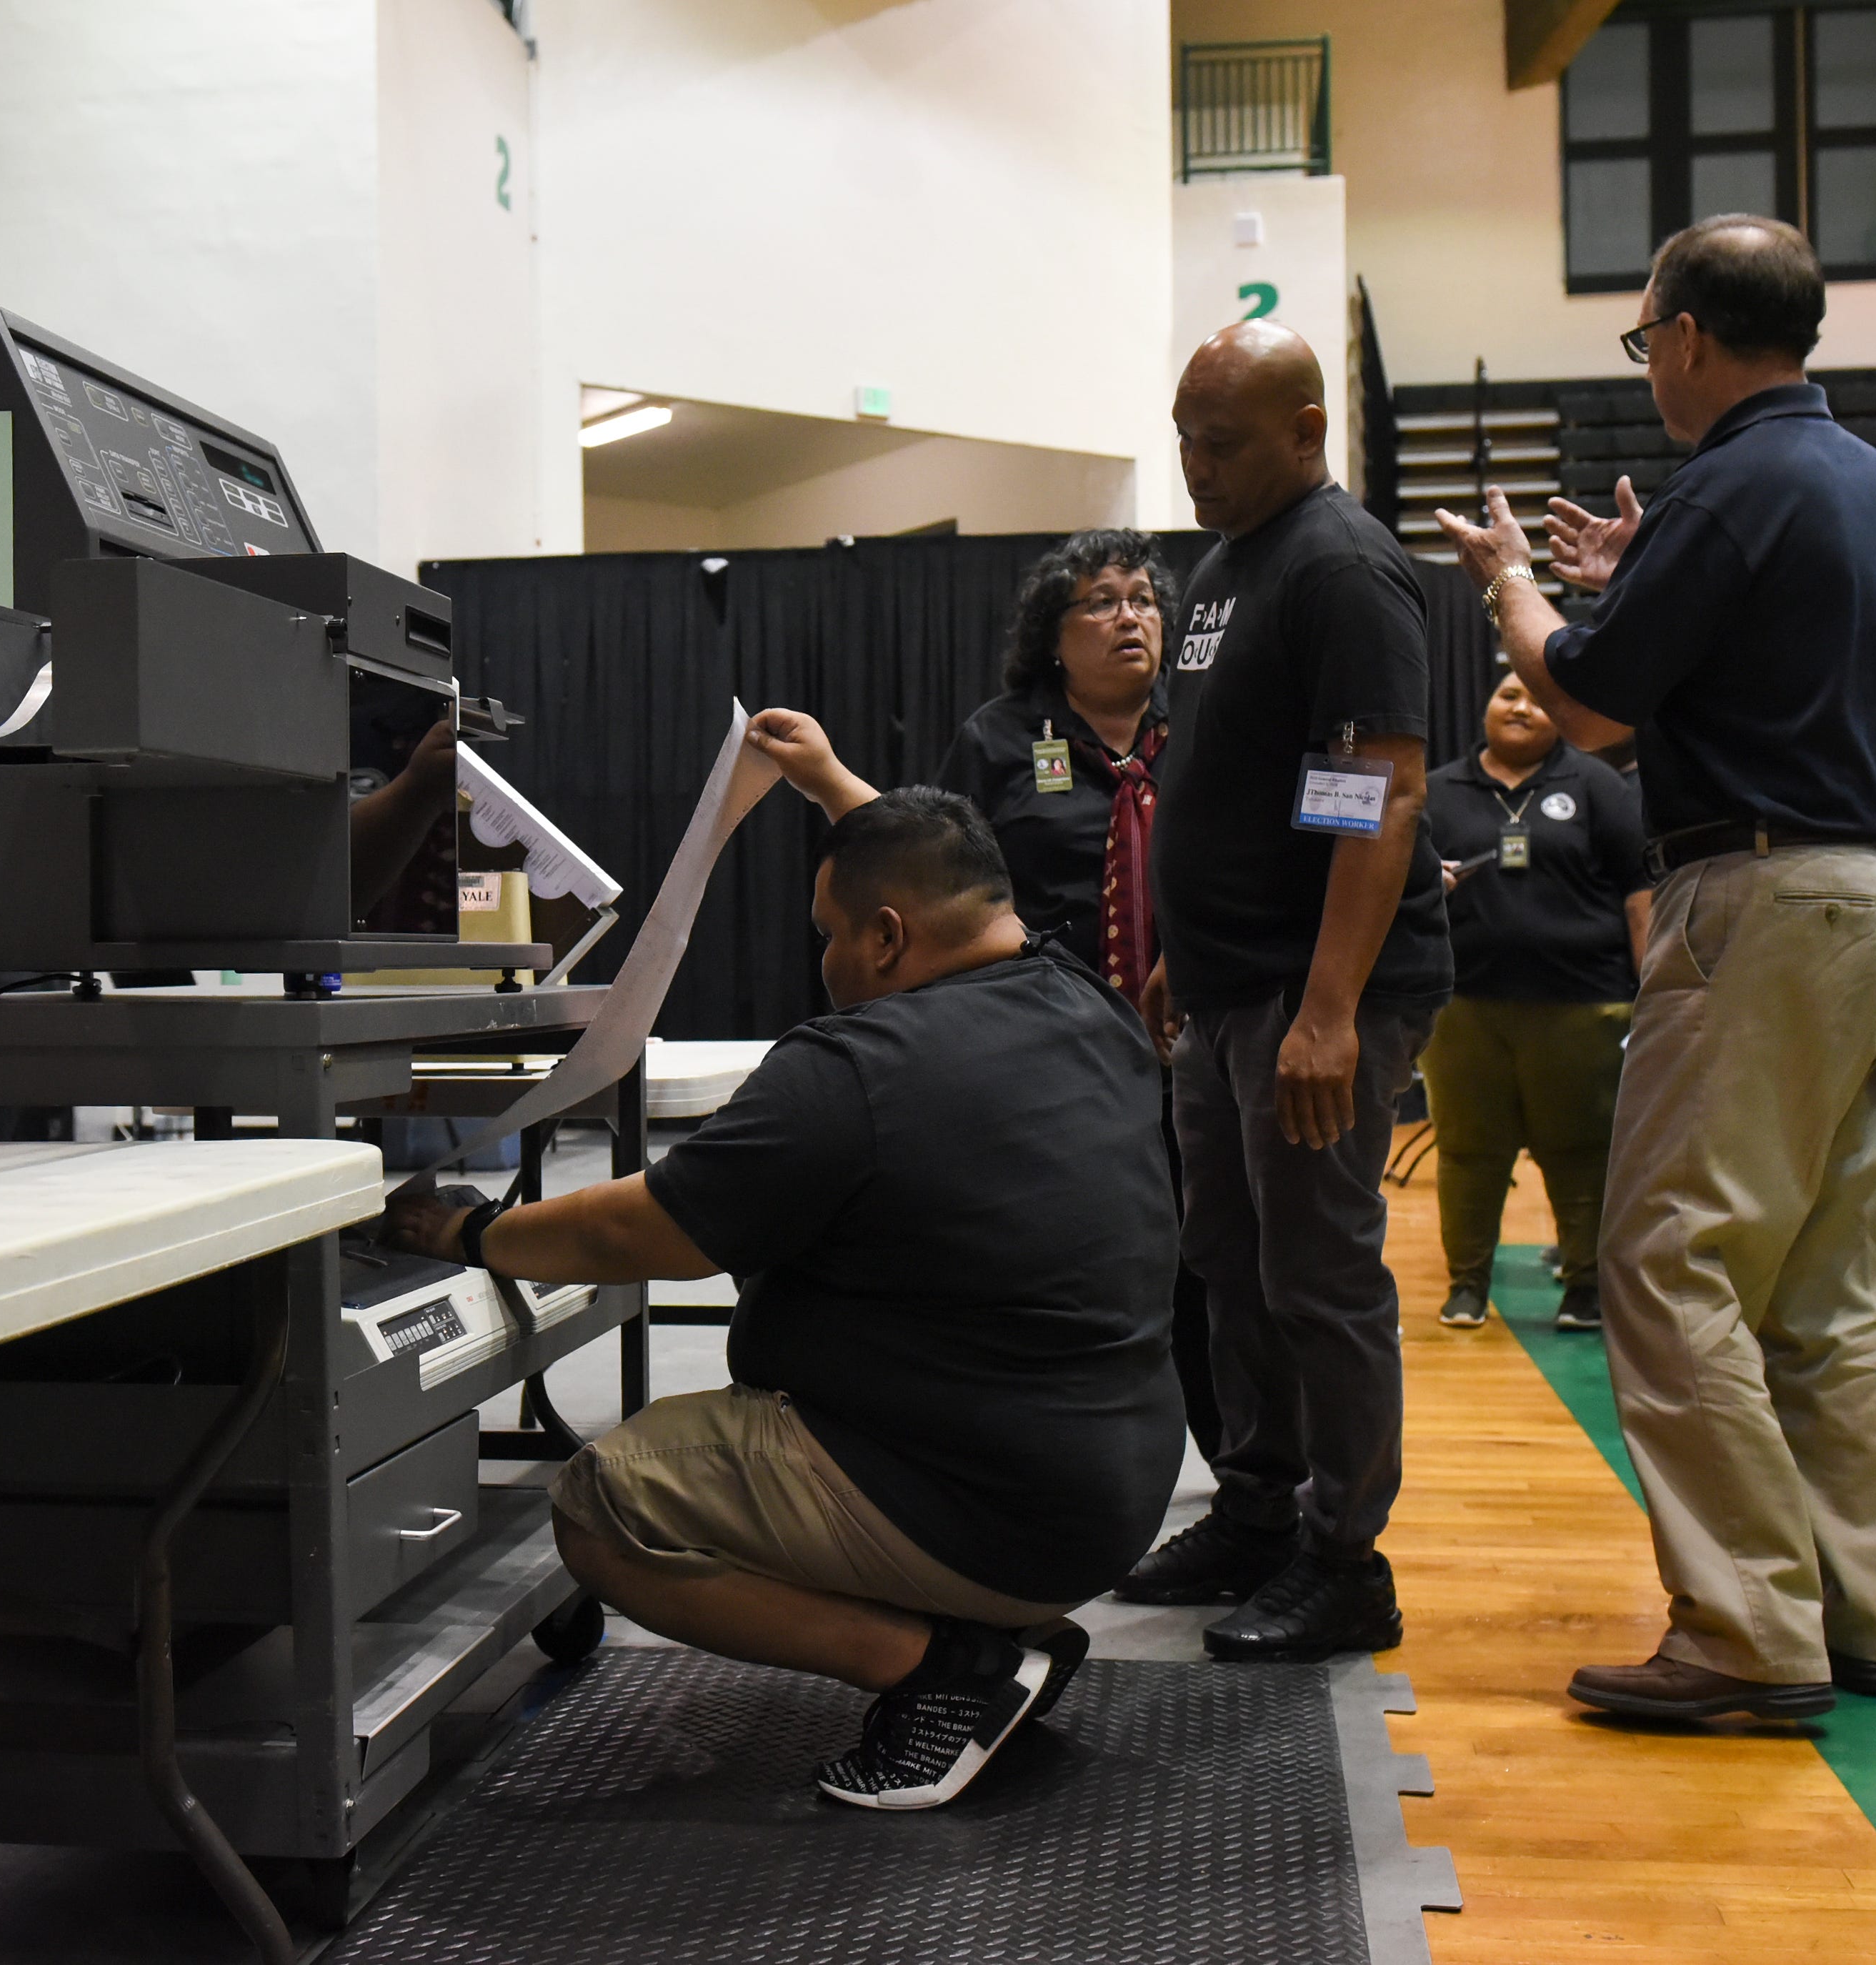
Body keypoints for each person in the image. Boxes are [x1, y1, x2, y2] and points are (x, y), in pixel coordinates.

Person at [384, 760, 1182, 1812]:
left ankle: (945, 1671)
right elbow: (927, 870)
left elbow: (648, 1227)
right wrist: (834, 790)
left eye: (831, 934)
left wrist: (472, 1228)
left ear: (887, 936)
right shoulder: (1088, 1004)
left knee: (602, 1503)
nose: (828, 960)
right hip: (1115, 1487)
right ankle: (990, 1629)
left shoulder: (855, 1064)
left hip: (990, 1505)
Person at [1437, 214, 1876, 1723]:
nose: (1647, 362)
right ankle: (1858, 1615)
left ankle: (1743, 1632)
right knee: (1831, 1285)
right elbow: (1772, 656)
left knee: (1667, 1260)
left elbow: (1583, 699)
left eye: (1645, 336)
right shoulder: (1867, 481)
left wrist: (1521, 582)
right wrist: (1649, 567)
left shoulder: (1732, 485)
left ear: (1689, 335)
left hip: (1763, 894)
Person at [1114, 319, 1452, 1667]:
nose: (1194, 466)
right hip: (1231, 988)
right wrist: (1180, 953)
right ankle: (1254, 1511)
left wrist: (1327, 1009)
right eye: (1185, 438)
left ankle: (1343, 1557)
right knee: (1228, 1267)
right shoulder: (1226, 566)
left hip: (1321, 1002)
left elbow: (1372, 792)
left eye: (1222, 441)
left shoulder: (1340, 567)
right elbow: (1247, 779)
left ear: (1306, 431)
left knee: (1317, 1275)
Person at [934, 529, 1219, 1459]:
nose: (1128, 615)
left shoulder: (1207, 725)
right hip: (1049, 1057)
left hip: (1199, 1052)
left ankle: (1230, 1479)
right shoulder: (998, 738)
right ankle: (1055, 1459)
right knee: (1061, 1263)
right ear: (1052, 633)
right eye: (1100, 599)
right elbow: (952, 896)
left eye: (1142, 597)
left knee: (1201, 1268)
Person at [1422, 670, 1650, 1333]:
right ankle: (1466, 1286)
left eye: (1536, 698)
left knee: (1583, 1154)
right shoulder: (1438, 791)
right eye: (1506, 694)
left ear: (1561, 716)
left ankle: (1586, 1290)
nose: (1520, 706)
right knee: (1467, 1153)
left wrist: (1653, 995)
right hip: (1465, 1008)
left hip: (1583, 1008)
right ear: (1486, 706)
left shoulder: (1598, 787)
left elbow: (1641, 896)